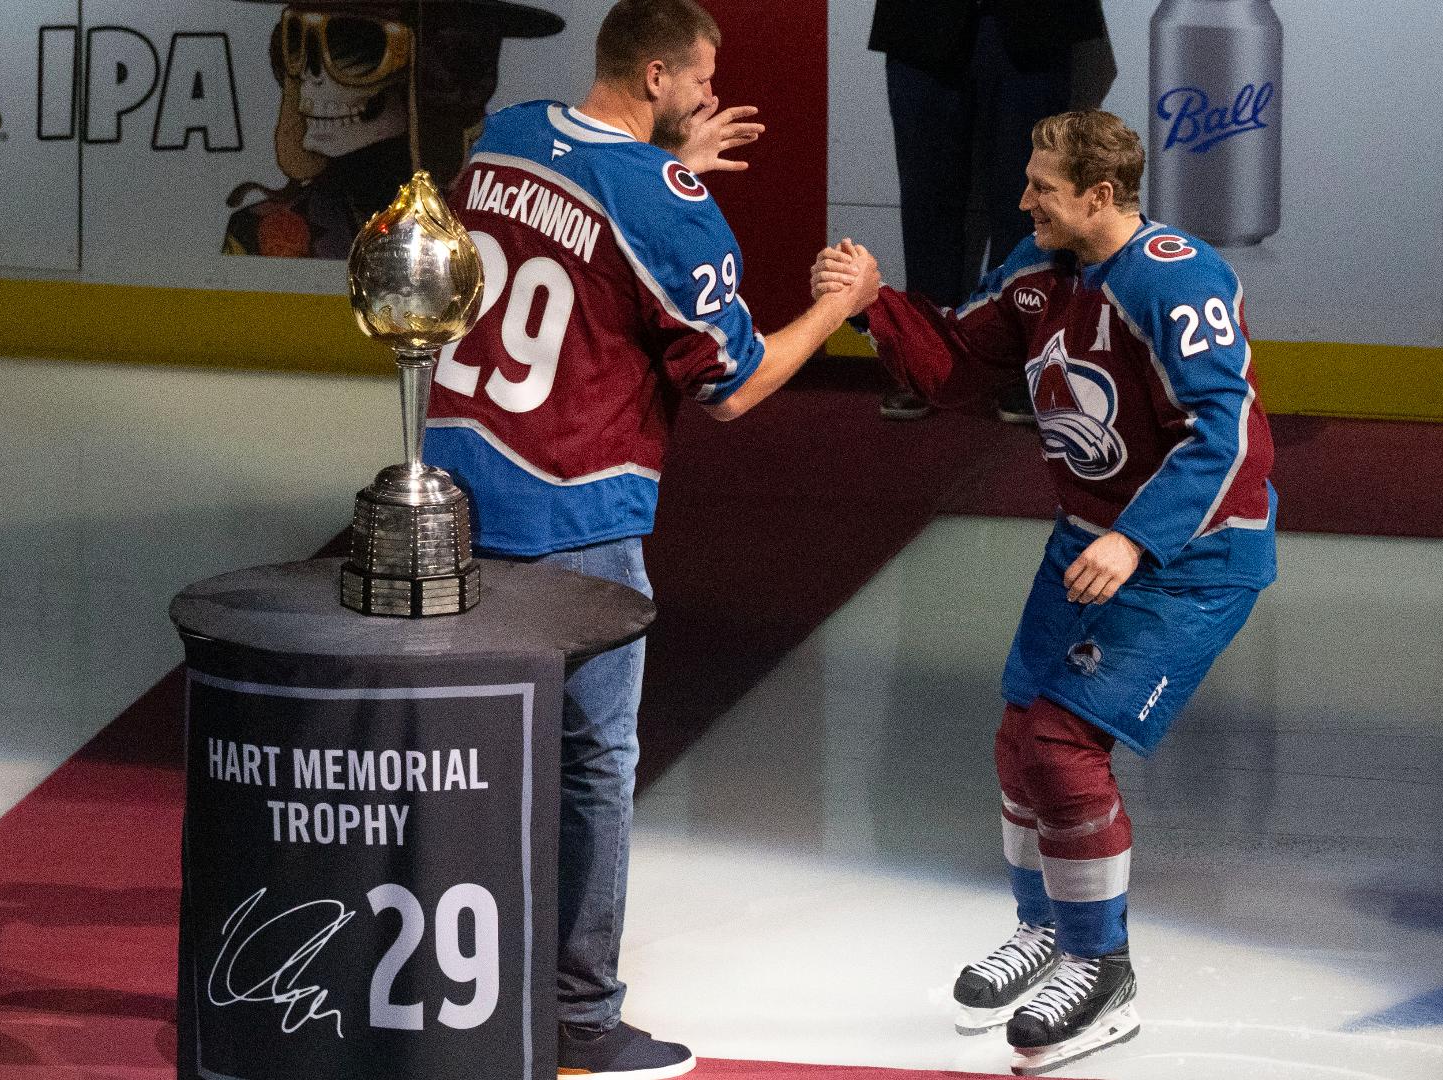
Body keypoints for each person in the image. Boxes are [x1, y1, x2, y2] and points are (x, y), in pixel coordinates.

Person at [424, 2, 881, 1076]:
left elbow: (575, 238)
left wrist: (667, 162)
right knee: (592, 764)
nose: (709, 99)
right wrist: (838, 307)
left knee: (471, 754)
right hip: (577, 514)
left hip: (455, 492)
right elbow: (731, 388)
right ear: (660, 73)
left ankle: (459, 988)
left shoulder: (508, 132)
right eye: (701, 82)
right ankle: (580, 1018)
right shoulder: (664, 203)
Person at [819, 110, 1275, 1075]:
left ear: (1099, 197)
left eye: (1042, 188)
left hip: (1196, 557)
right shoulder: (1038, 276)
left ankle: (1101, 969)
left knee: (1065, 746)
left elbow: (1226, 435)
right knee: (1020, 731)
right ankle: (1047, 932)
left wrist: (1137, 540)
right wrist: (874, 304)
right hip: (1090, 540)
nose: (1023, 202)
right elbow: (955, 361)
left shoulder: (1175, 277)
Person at [867, 0, 1114, 423]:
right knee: (928, 200)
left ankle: (1023, 365)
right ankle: (924, 362)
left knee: (1031, 202)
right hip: (921, 26)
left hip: (1035, 25)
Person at [223, 0, 564, 258]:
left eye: (353, 46)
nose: (313, 78)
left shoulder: (494, 229)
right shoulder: (259, 233)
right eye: (296, 42)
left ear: (438, 74)